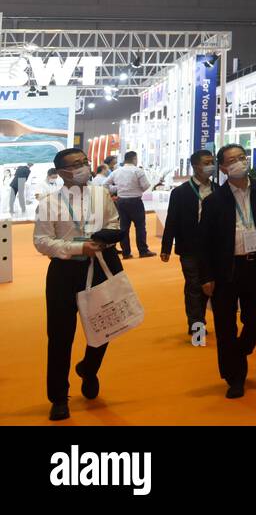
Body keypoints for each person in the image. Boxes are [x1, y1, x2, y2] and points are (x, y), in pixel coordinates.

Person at [33, 147, 124, 421]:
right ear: (62, 172)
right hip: (64, 273)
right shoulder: (49, 202)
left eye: (85, 162)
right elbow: (42, 241)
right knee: (60, 337)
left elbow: (114, 222)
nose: (84, 167)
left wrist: (102, 240)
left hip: (100, 268)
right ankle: (59, 397)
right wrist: (77, 248)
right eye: (76, 164)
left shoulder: (101, 194)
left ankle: (89, 368)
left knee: (105, 327)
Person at [199, 144, 256, 399]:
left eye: (241, 157)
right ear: (223, 168)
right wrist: (206, 277)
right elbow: (203, 243)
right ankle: (234, 377)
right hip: (226, 270)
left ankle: (239, 352)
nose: (239, 162)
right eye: (232, 160)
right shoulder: (214, 200)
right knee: (225, 326)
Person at [161, 150, 216, 339]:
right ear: (195, 166)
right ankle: (197, 326)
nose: (211, 165)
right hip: (190, 247)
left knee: (210, 286)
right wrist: (166, 247)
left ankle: (201, 317)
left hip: (213, 248)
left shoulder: (218, 190)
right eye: (206, 162)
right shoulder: (180, 192)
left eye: (212, 162)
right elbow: (172, 220)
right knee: (194, 285)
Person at [108, 151, 154, 259]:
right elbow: (146, 185)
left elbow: (105, 183)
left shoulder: (116, 171)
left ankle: (126, 253)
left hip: (121, 201)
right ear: (134, 159)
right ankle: (143, 251)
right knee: (140, 227)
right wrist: (138, 189)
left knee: (124, 227)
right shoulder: (138, 171)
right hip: (135, 201)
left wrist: (116, 189)